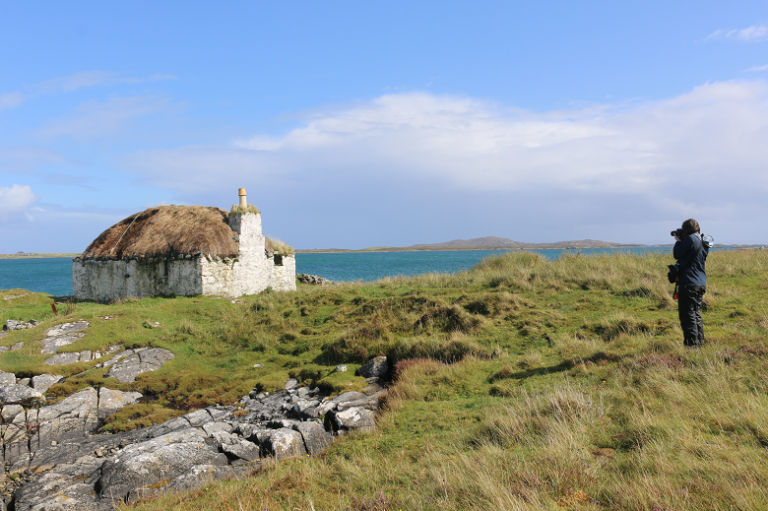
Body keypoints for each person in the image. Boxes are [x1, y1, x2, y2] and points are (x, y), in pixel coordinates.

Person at [673, 218, 709, 347]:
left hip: (688, 283)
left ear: (686, 230)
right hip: (700, 282)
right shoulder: (703, 241)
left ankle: (692, 346)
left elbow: (677, 254)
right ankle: (700, 343)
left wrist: (678, 241)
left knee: (688, 316)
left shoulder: (689, 240)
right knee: (696, 313)